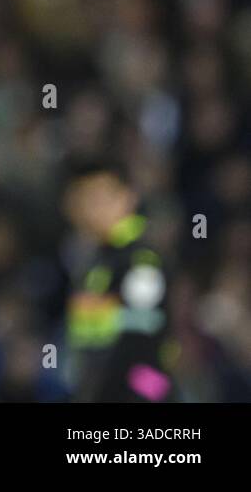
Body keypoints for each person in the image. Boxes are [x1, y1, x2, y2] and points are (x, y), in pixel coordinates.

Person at [62, 161, 180, 402]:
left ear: (128, 198)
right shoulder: (97, 261)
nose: (93, 208)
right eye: (87, 198)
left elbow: (141, 341)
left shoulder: (141, 261)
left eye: (102, 197)